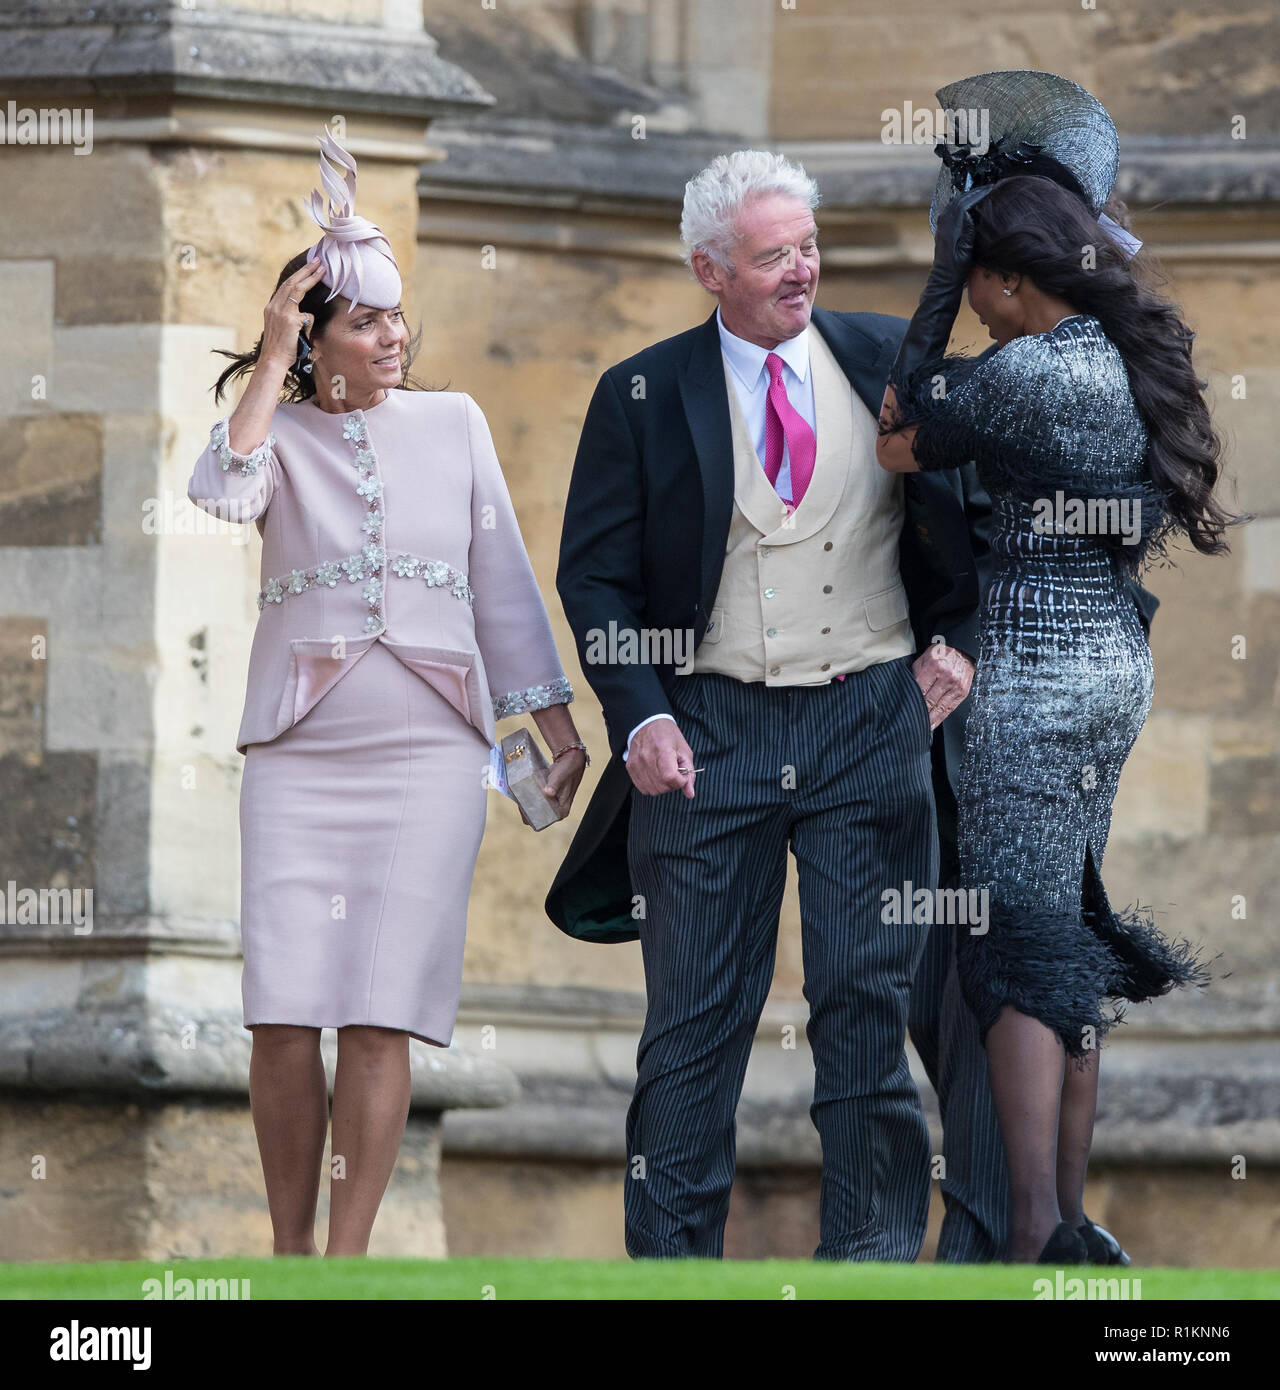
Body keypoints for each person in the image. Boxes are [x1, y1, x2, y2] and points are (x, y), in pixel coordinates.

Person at [546, 149, 992, 1261]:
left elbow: (982, 525)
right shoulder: (639, 393)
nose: (799, 270)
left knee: (860, 1002)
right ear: (708, 269)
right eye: (769, 255)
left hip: (869, 719)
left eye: (806, 245)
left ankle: (871, 1264)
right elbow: (593, 577)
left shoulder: (890, 356)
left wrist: (958, 646)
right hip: (708, 730)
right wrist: (640, 716)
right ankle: (670, 1274)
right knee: (692, 1023)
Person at [188, 128, 586, 1257]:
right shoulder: (274, 439)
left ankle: (346, 1264)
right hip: (299, 758)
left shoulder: (454, 425)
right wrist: (269, 361)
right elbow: (219, 492)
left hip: (430, 759)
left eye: (396, 318)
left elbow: (502, 585)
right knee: (281, 1012)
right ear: (315, 339)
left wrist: (551, 725)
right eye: (366, 320)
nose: (395, 335)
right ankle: (283, 1251)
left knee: (378, 1012)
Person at [877, 170, 1238, 1263]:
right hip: (1111, 667)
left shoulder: (1023, 377)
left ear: (1003, 279)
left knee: (1012, 942)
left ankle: (1036, 1227)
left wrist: (935, 302)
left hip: (1028, 664)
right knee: (1064, 925)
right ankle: (1071, 1218)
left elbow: (899, 432)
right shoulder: (1129, 363)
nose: (973, 304)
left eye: (976, 283)